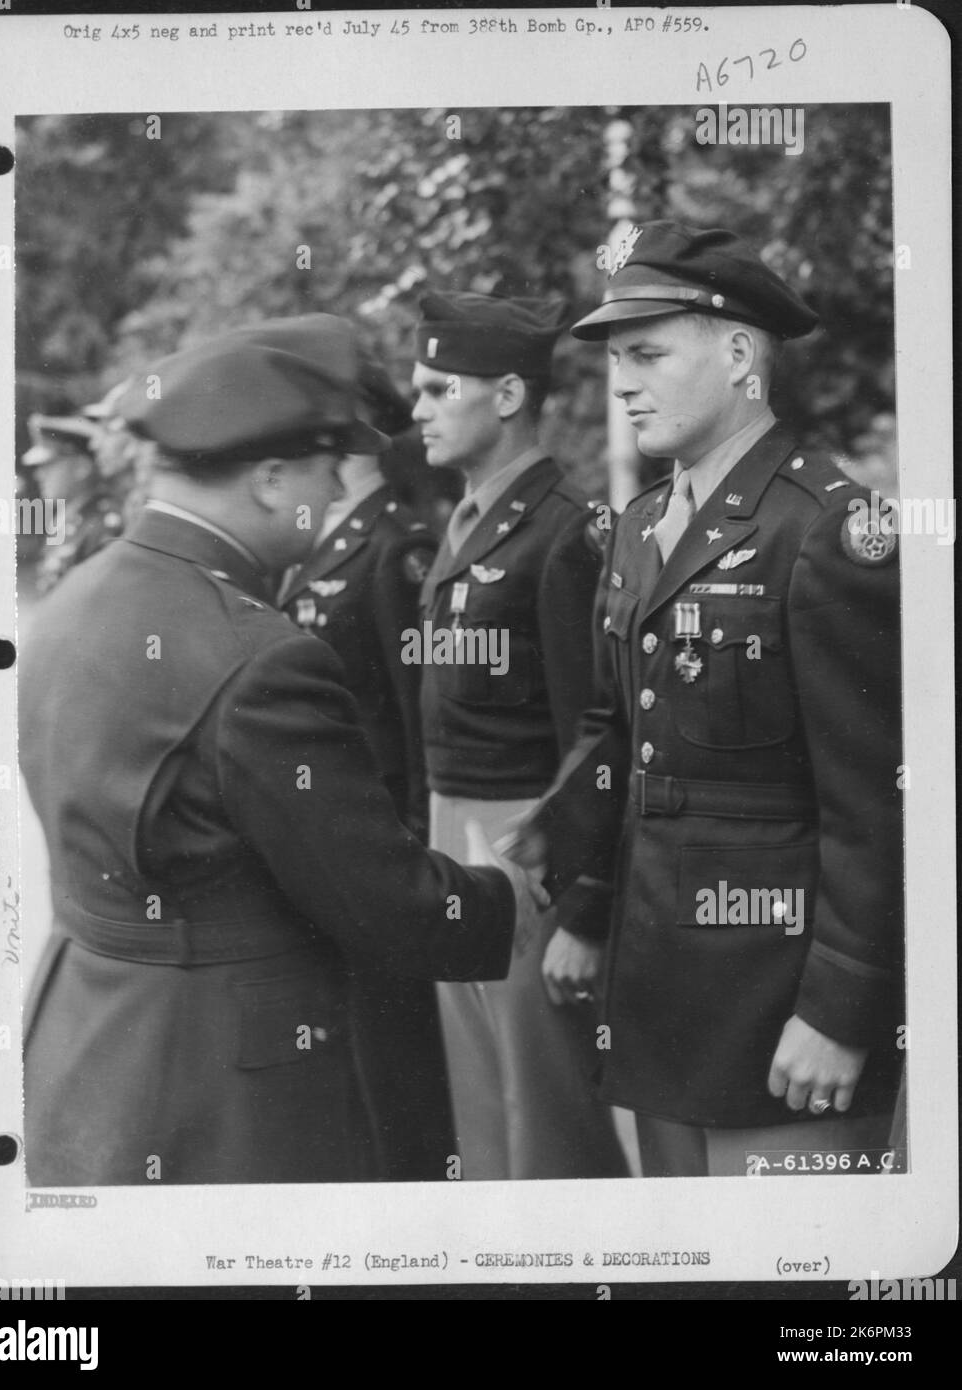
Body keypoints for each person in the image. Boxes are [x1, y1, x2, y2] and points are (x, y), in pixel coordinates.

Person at [19, 318, 538, 1186]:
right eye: (322, 465)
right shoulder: (259, 660)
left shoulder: (78, 596)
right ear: (267, 482)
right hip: (227, 1082)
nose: (341, 483)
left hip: (85, 1039)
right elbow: (386, 903)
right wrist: (513, 897)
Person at [508, 221, 904, 1177]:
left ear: (737, 356)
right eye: (614, 360)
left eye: (646, 354)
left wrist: (839, 1012)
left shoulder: (827, 532)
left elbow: (877, 798)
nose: (620, 383)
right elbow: (620, 738)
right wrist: (585, 905)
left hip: (781, 1028)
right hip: (659, 1006)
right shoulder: (643, 525)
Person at [411, 289, 628, 1181]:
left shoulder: (562, 533)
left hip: (526, 845)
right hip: (451, 835)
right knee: (481, 1109)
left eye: (436, 389)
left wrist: (584, 902)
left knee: (545, 1123)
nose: (417, 409)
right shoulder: (463, 526)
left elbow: (602, 729)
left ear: (505, 395)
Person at [272, 334, 453, 1180]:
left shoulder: (398, 546)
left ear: (357, 436)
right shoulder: (317, 541)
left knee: (395, 1044)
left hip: (382, 828)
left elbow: (419, 713)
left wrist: (416, 838)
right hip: (325, 828)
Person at [20, 413, 124, 592]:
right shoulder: (67, 517)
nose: (39, 475)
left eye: (50, 464)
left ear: (82, 467)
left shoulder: (103, 525)